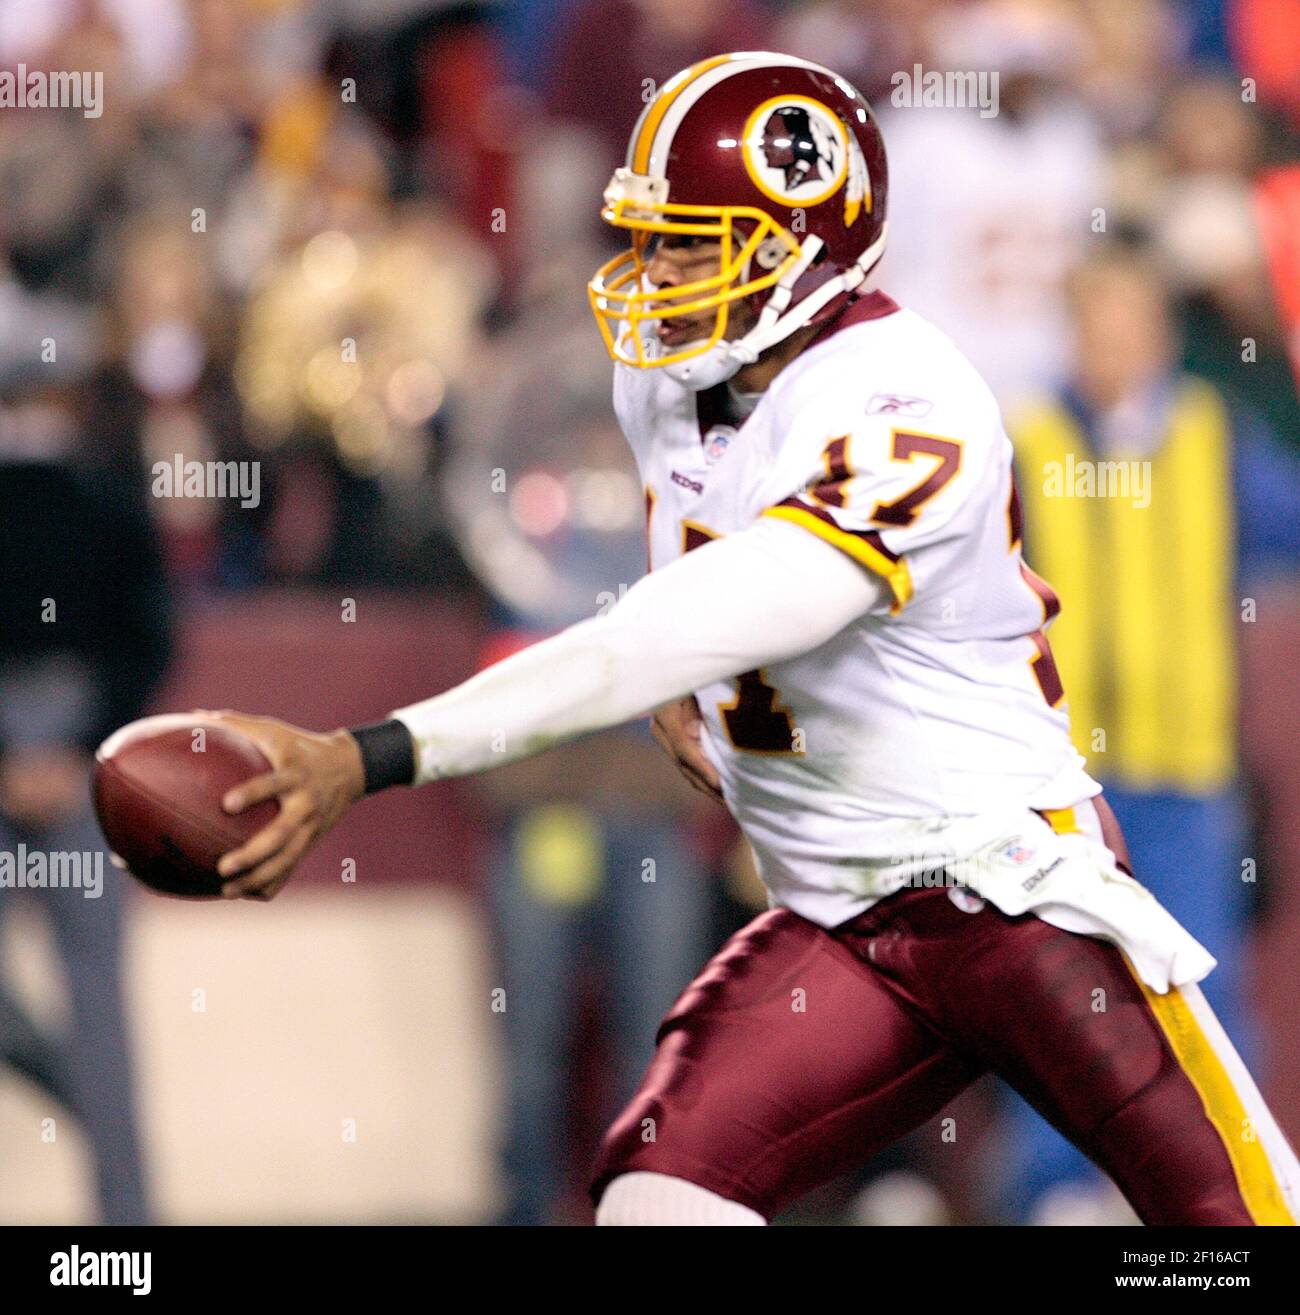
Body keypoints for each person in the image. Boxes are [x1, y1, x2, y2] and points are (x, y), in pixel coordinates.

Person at [194, 54, 1299, 1225]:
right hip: (837, 917)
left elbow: (665, 631)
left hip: (1009, 899)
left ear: (797, 249)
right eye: (652, 237)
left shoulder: (908, 402)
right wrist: (701, 676)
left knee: (1241, 1223)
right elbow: (696, 565)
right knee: (656, 1203)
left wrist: (367, 753)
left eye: (689, 241)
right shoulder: (668, 373)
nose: (652, 272)